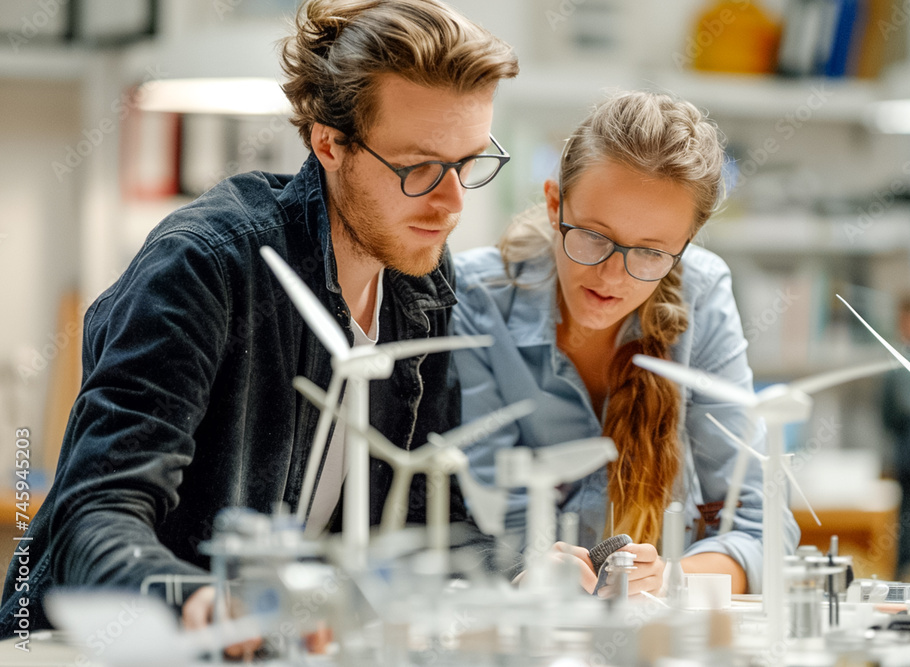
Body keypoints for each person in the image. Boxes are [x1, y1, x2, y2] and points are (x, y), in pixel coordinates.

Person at [0, 0, 518, 642]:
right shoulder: (204, 265)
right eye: (419, 168)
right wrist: (197, 601)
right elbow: (98, 510)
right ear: (330, 143)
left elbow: (430, 519)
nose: (452, 203)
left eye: (469, 163)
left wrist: (529, 571)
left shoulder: (424, 282)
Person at [452, 91, 800, 596]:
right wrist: (529, 572)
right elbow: (480, 522)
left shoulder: (701, 292)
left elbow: (763, 529)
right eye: (593, 236)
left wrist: (671, 578)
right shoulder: (474, 296)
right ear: (555, 204)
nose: (613, 275)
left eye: (652, 252)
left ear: (684, 247)